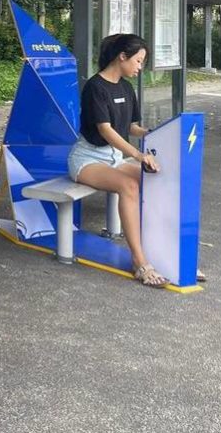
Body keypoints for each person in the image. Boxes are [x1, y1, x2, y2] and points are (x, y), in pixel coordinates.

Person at [66, 34, 170, 288]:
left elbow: (131, 127)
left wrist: (157, 132)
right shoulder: (95, 87)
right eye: (138, 60)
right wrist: (137, 155)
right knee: (129, 186)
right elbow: (106, 130)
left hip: (113, 158)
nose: (140, 67)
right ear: (121, 57)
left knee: (155, 180)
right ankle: (139, 260)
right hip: (87, 159)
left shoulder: (126, 87)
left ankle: (165, 253)